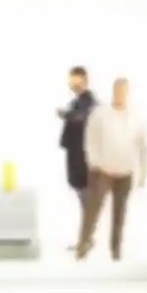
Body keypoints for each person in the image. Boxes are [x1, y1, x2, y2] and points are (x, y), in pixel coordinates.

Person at [76, 78, 147, 261]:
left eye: (123, 91)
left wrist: (142, 172)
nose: (120, 94)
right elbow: (90, 138)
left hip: (125, 171)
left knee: (120, 213)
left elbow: (143, 146)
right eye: (117, 90)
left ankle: (116, 251)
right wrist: (93, 162)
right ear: (113, 91)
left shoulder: (136, 117)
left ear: (128, 93)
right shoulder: (100, 114)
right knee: (92, 211)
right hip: (102, 170)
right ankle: (83, 245)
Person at [58, 66, 98, 208]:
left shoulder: (90, 103)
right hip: (76, 163)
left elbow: (84, 118)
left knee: (89, 208)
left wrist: (67, 115)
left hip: (85, 164)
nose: (74, 85)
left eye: (77, 81)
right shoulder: (75, 104)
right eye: (72, 81)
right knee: (85, 205)